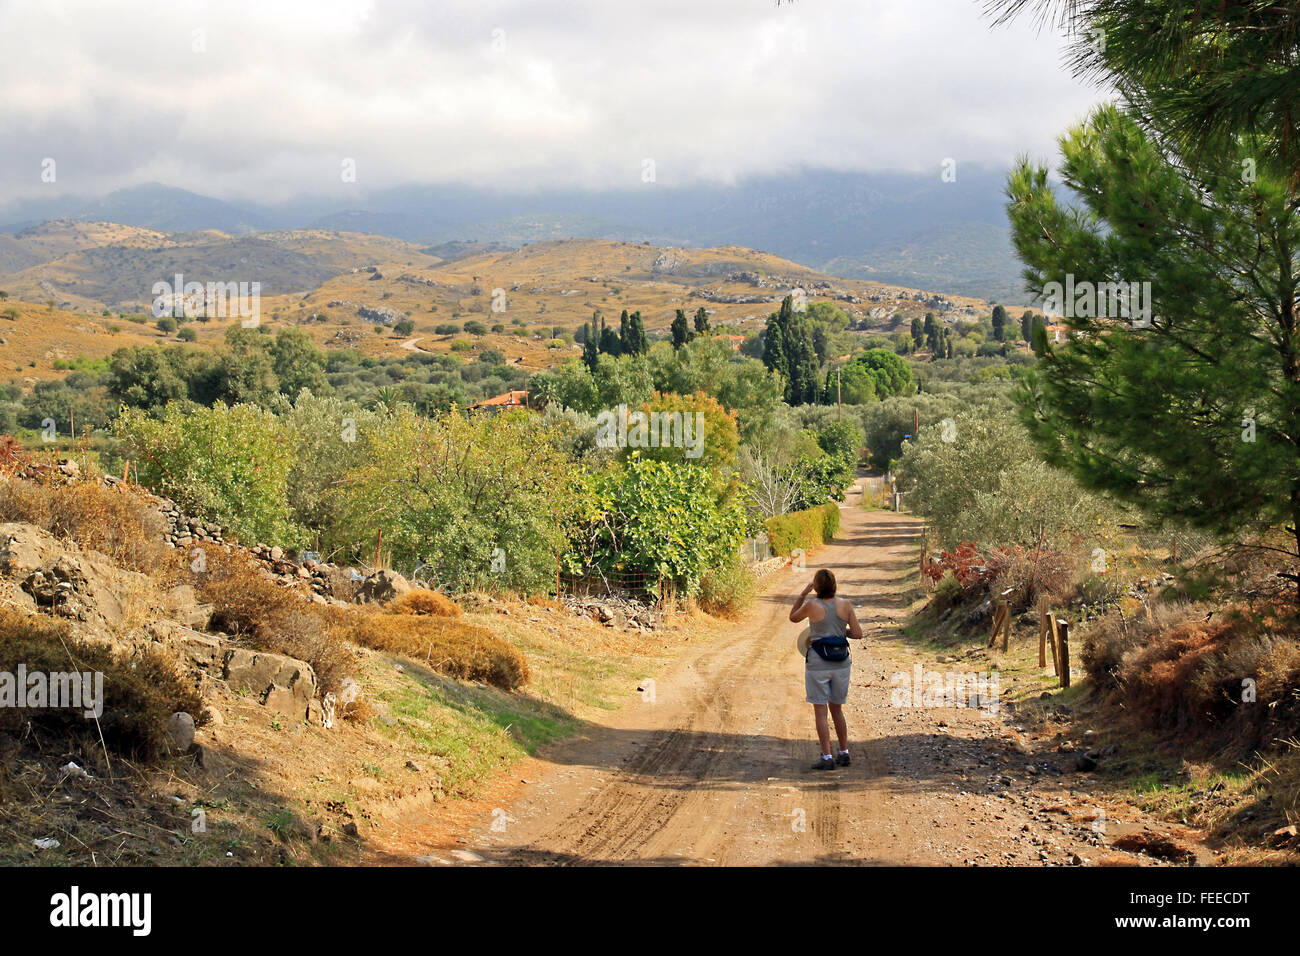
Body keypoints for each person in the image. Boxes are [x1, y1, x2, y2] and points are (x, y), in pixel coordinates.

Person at [789, 568, 863, 771]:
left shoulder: (812, 605)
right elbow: (857, 634)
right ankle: (844, 752)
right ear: (834, 586)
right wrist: (839, 632)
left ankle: (827, 756)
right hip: (841, 663)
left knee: (820, 711)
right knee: (837, 709)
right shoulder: (845, 605)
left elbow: (793, 618)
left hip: (818, 663)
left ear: (817, 587)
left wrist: (803, 593)